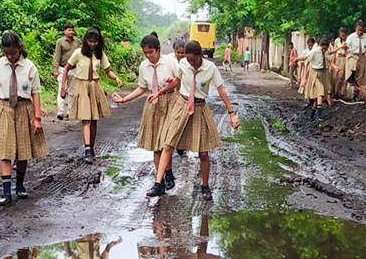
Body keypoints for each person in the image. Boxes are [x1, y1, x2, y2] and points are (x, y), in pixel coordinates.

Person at [146, 41, 241, 200]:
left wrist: (231, 113)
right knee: (168, 144)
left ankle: (205, 186)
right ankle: (158, 184)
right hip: (181, 105)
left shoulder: (210, 68)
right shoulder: (183, 63)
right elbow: (177, 81)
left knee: (203, 152)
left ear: (200, 56)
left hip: (199, 108)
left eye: (193, 60)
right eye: (188, 60)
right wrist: (159, 92)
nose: (191, 63)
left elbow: (221, 89)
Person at [112, 33, 182, 190]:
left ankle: (168, 172)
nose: (149, 56)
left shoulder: (170, 62)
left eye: (151, 52)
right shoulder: (144, 66)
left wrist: (173, 84)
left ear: (158, 50)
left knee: (166, 143)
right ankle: (161, 181)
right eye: (146, 53)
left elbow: (181, 81)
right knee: (156, 145)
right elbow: (142, 88)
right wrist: (124, 99)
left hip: (170, 103)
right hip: (153, 104)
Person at [0, 31, 49, 206]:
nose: (10, 57)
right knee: (5, 152)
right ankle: (6, 192)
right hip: (4, 107)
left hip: (24, 108)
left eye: (13, 53)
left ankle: (20, 185)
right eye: (7, 53)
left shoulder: (30, 67)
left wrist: (37, 118)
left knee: (23, 151)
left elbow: (36, 94)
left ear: (19, 48)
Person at [62, 26, 123, 158]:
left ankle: (92, 146)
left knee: (94, 119)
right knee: (86, 119)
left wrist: (116, 78)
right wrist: (63, 87)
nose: (92, 44)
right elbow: (66, 69)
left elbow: (107, 71)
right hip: (82, 85)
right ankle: (87, 148)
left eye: (95, 42)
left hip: (95, 86)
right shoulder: (78, 53)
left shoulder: (100, 54)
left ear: (98, 42)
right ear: (86, 41)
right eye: (90, 41)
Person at [51, 23, 81, 120]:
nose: (71, 32)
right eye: (69, 30)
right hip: (62, 68)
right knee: (61, 89)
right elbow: (57, 56)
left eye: (72, 30)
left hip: (74, 69)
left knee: (72, 91)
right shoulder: (60, 42)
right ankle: (60, 112)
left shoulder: (78, 42)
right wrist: (55, 70)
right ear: (64, 31)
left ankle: (70, 111)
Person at [303, 37, 331, 118]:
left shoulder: (326, 52)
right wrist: (296, 59)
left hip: (323, 74)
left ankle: (312, 114)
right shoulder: (314, 52)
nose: (324, 50)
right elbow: (306, 59)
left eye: (325, 49)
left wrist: (335, 67)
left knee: (317, 97)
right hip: (315, 73)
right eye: (323, 48)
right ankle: (319, 114)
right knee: (320, 92)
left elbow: (329, 60)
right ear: (320, 46)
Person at [331, 26, 349, 98]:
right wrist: (333, 60)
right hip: (339, 58)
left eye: (344, 34)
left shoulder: (348, 40)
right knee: (338, 77)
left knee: (346, 77)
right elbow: (335, 51)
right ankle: (336, 92)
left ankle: (342, 93)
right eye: (341, 33)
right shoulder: (337, 40)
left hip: (346, 58)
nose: (342, 35)